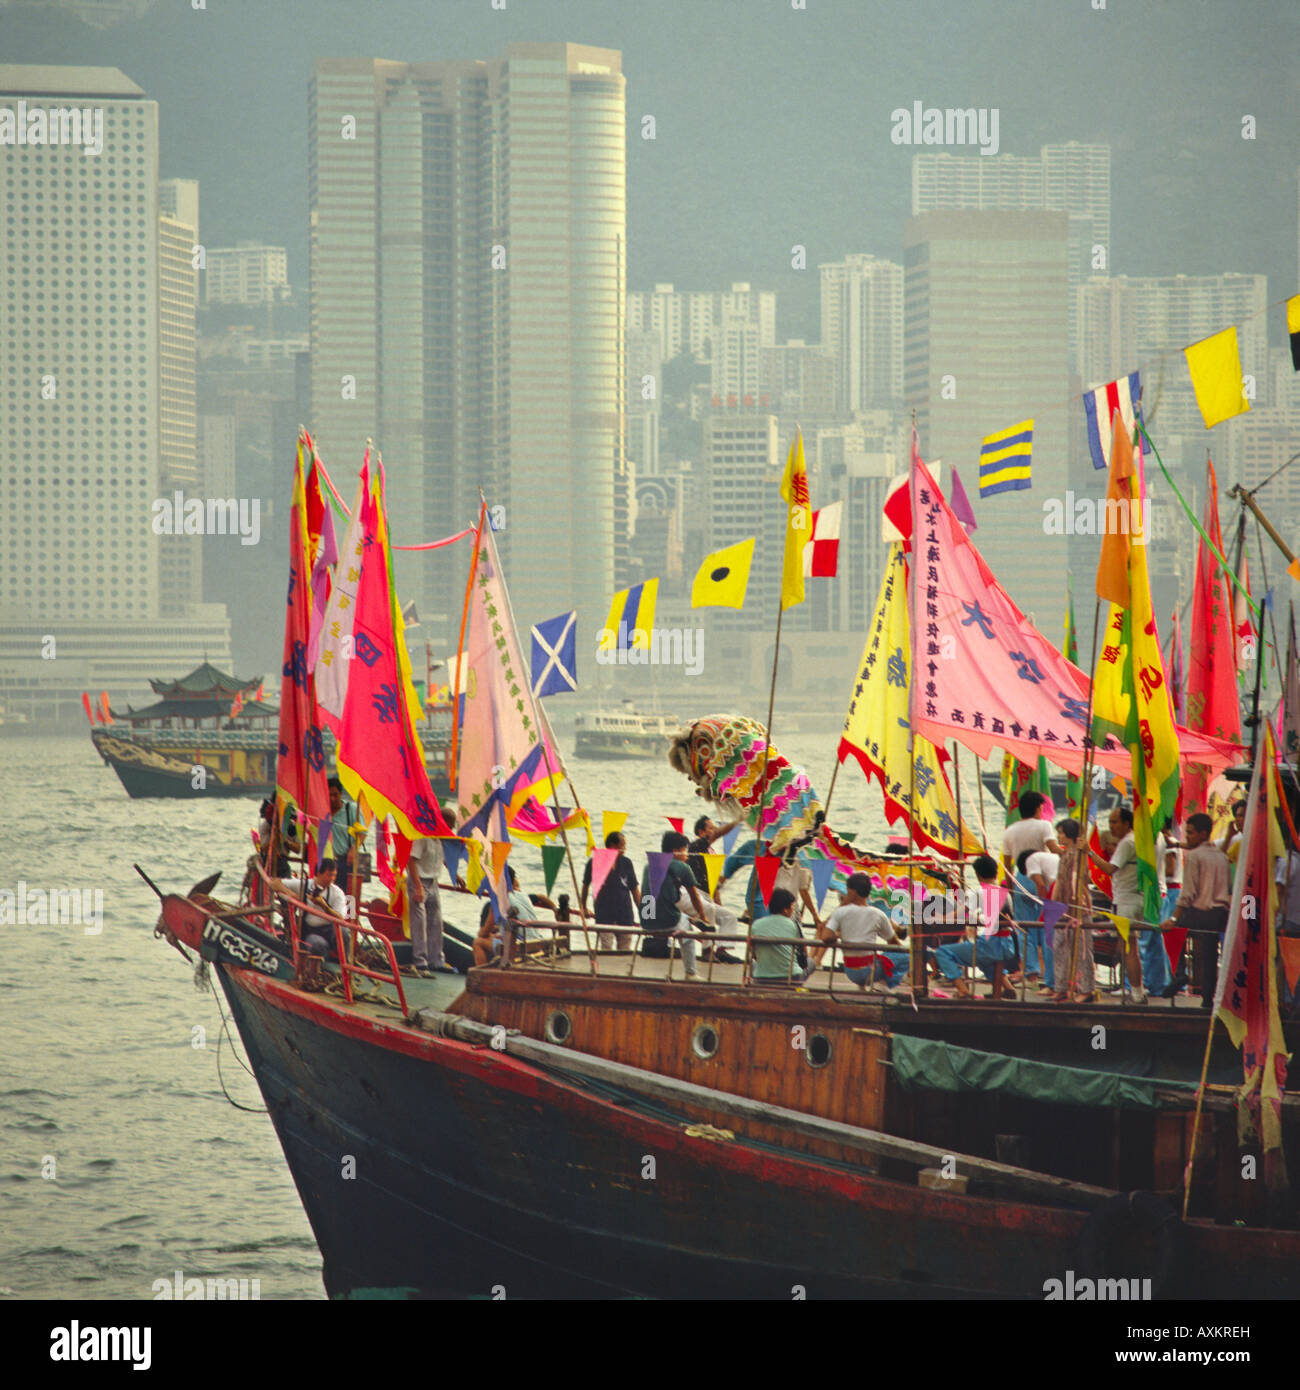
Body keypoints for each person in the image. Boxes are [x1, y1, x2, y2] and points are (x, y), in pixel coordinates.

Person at [929, 855, 1018, 1000]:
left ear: (977, 875)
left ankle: (963, 990)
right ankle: (1008, 988)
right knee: (985, 960)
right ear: (996, 873)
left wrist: (939, 919)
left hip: (991, 945)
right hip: (1007, 944)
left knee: (942, 952)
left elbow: (960, 914)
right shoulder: (1005, 893)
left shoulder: (979, 893)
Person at [1168, 812, 1231, 1008]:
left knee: (1173, 932)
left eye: (1191, 833)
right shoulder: (1222, 856)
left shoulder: (1194, 856)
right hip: (1220, 914)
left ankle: (1180, 974)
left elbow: (1187, 893)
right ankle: (1207, 998)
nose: (1188, 837)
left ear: (1203, 834)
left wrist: (1172, 917)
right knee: (1210, 957)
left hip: (1200, 912)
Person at [1087, 804, 1148, 1004]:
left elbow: (1109, 868)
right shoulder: (1134, 841)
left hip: (1127, 900)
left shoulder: (1127, 843)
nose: (1111, 826)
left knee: (1129, 948)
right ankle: (1135, 990)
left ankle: (1137, 993)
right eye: (1110, 822)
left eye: (1114, 822)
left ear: (1126, 823)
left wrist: (1089, 852)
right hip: (1130, 898)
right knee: (1129, 947)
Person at [639, 831, 709, 978]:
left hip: (645, 920)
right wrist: (702, 916)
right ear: (676, 851)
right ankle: (690, 973)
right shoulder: (682, 868)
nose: (687, 855)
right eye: (685, 850)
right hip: (667, 921)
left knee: (682, 917)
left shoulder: (649, 865)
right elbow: (695, 897)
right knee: (688, 934)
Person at [826, 872, 908, 991]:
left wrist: (839, 934)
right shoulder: (878, 914)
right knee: (908, 956)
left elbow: (825, 936)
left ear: (851, 892)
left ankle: (866, 985)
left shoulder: (840, 912)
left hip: (850, 971)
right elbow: (893, 943)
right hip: (870, 970)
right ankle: (885, 983)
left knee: (876, 958)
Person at [407, 816, 462, 977]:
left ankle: (436, 961)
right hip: (419, 880)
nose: (450, 830)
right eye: (449, 825)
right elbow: (411, 860)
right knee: (419, 921)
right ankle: (420, 961)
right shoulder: (423, 836)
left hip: (433, 881)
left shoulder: (441, 839)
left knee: (436, 921)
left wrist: (455, 874)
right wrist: (417, 887)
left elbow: (443, 858)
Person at [1049, 818, 1096, 1003]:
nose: (1058, 836)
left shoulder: (1079, 855)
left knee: (1083, 950)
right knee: (1060, 947)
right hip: (1062, 907)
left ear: (1069, 835)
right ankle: (1061, 986)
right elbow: (1059, 882)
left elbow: (1082, 879)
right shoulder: (1064, 855)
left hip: (1079, 908)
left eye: (1061, 833)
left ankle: (1087, 988)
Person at [272, 858, 352, 959]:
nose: (332, 879)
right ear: (318, 873)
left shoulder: (337, 893)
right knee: (318, 945)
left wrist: (323, 905)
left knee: (345, 932)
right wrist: (292, 895)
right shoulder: (304, 885)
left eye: (334, 875)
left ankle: (345, 963)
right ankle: (319, 968)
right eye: (329, 875)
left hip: (330, 929)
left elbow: (341, 919)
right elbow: (275, 883)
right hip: (311, 931)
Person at [580, 830, 640, 951]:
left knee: (625, 950)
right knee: (606, 949)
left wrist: (645, 914)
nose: (625, 848)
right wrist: (584, 907)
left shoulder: (627, 863)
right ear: (613, 846)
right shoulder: (594, 862)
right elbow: (585, 886)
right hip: (604, 914)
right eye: (623, 845)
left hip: (625, 914)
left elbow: (635, 891)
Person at [748, 888, 810, 984]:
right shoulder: (793, 925)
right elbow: (804, 952)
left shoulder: (756, 925)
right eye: (792, 906)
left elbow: (753, 953)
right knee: (812, 962)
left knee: (754, 964)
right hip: (791, 977)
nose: (793, 910)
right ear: (785, 909)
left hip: (761, 977)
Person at [1000, 792, 1061, 878]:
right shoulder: (1044, 825)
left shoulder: (1009, 831)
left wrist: (1011, 888)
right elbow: (1054, 849)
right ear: (1037, 809)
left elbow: (1007, 866)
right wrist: (1073, 853)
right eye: (1041, 808)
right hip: (1041, 875)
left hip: (1021, 877)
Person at [327, 777, 363, 901]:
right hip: (327, 862)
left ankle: (348, 920)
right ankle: (330, 920)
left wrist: (353, 849)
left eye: (335, 794)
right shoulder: (322, 811)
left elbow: (362, 833)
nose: (332, 798)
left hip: (345, 861)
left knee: (348, 898)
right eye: (329, 795)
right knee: (329, 897)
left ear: (340, 794)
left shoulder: (350, 809)